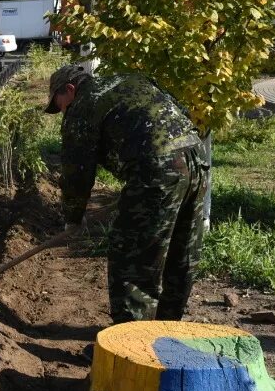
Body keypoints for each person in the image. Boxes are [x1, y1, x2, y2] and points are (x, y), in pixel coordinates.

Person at [46, 64, 210, 324]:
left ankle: (131, 346)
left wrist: (73, 216)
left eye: (60, 104)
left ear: (70, 89)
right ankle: (166, 330)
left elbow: (76, 171)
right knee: (181, 250)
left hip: (156, 168)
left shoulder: (84, 105)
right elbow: (178, 113)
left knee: (132, 257)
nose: (62, 111)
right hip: (195, 158)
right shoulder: (131, 79)